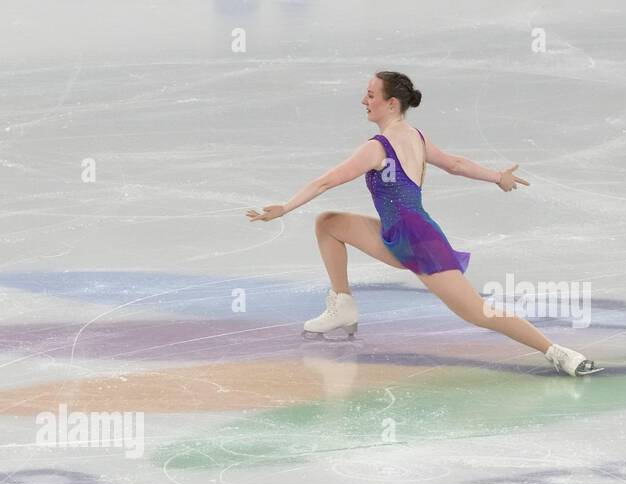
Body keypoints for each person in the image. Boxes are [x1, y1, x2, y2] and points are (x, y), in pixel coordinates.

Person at [246, 71, 600, 376]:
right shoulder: (415, 135)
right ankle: (343, 305)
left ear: (391, 104)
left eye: (370, 95)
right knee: (329, 224)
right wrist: (496, 177)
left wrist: (287, 207)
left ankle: (557, 352)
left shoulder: (378, 146)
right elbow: (456, 164)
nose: (363, 100)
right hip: (397, 234)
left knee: (477, 311)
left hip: (416, 239)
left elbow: (328, 180)